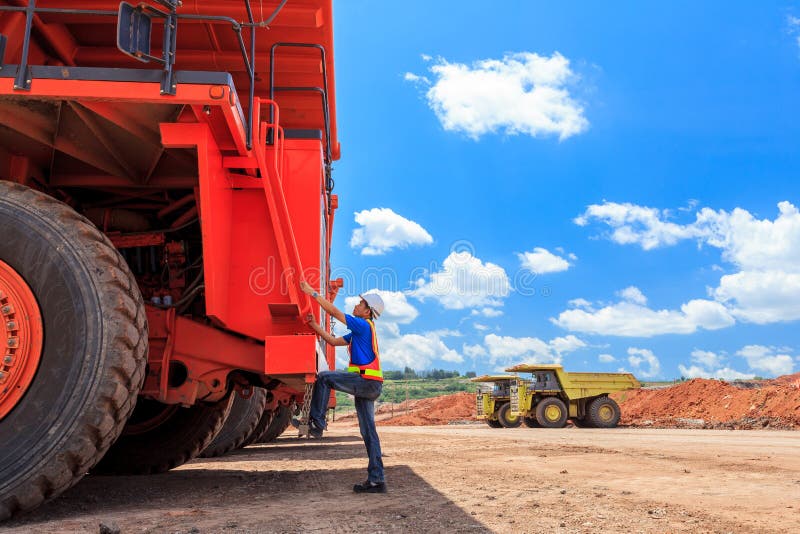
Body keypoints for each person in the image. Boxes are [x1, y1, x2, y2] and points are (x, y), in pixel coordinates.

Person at [296, 280, 387, 494]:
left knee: (325, 378)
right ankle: (376, 480)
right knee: (368, 433)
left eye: (360, 303)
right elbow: (333, 341)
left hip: (367, 382)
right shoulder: (360, 331)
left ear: (367, 311)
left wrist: (312, 294)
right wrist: (313, 326)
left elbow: (336, 313)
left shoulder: (362, 325)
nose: (356, 305)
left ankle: (317, 423)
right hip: (369, 385)